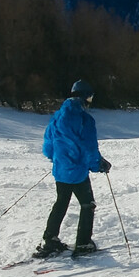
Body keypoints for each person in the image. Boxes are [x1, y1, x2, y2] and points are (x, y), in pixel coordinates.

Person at [34, 80, 112, 258]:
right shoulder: (85, 119)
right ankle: (83, 243)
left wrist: (58, 159)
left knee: (61, 202)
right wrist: (98, 165)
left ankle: (50, 240)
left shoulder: (57, 117)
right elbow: (89, 148)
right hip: (77, 173)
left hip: (61, 171)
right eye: (90, 97)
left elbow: (48, 145)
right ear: (85, 97)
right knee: (87, 204)